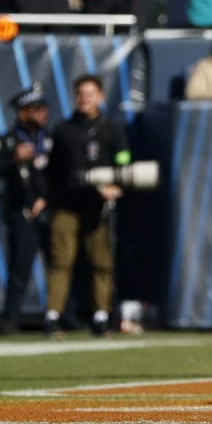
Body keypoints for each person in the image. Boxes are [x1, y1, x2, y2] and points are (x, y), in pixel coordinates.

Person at [45, 75, 131, 338]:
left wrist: (117, 184)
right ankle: (53, 316)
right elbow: (53, 169)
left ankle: (101, 315)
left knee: (101, 262)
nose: (85, 98)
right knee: (61, 260)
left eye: (90, 93)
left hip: (98, 206)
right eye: (81, 93)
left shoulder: (111, 128)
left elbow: (124, 159)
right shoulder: (63, 128)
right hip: (67, 203)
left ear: (101, 96)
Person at [0, 83, 51, 335]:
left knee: (61, 267)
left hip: (51, 211)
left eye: (44, 107)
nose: (43, 112)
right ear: (22, 111)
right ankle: (11, 318)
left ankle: (61, 315)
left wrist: (47, 198)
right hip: (22, 214)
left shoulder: (51, 137)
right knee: (19, 270)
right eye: (37, 108)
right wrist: (13, 158)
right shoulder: (8, 140)